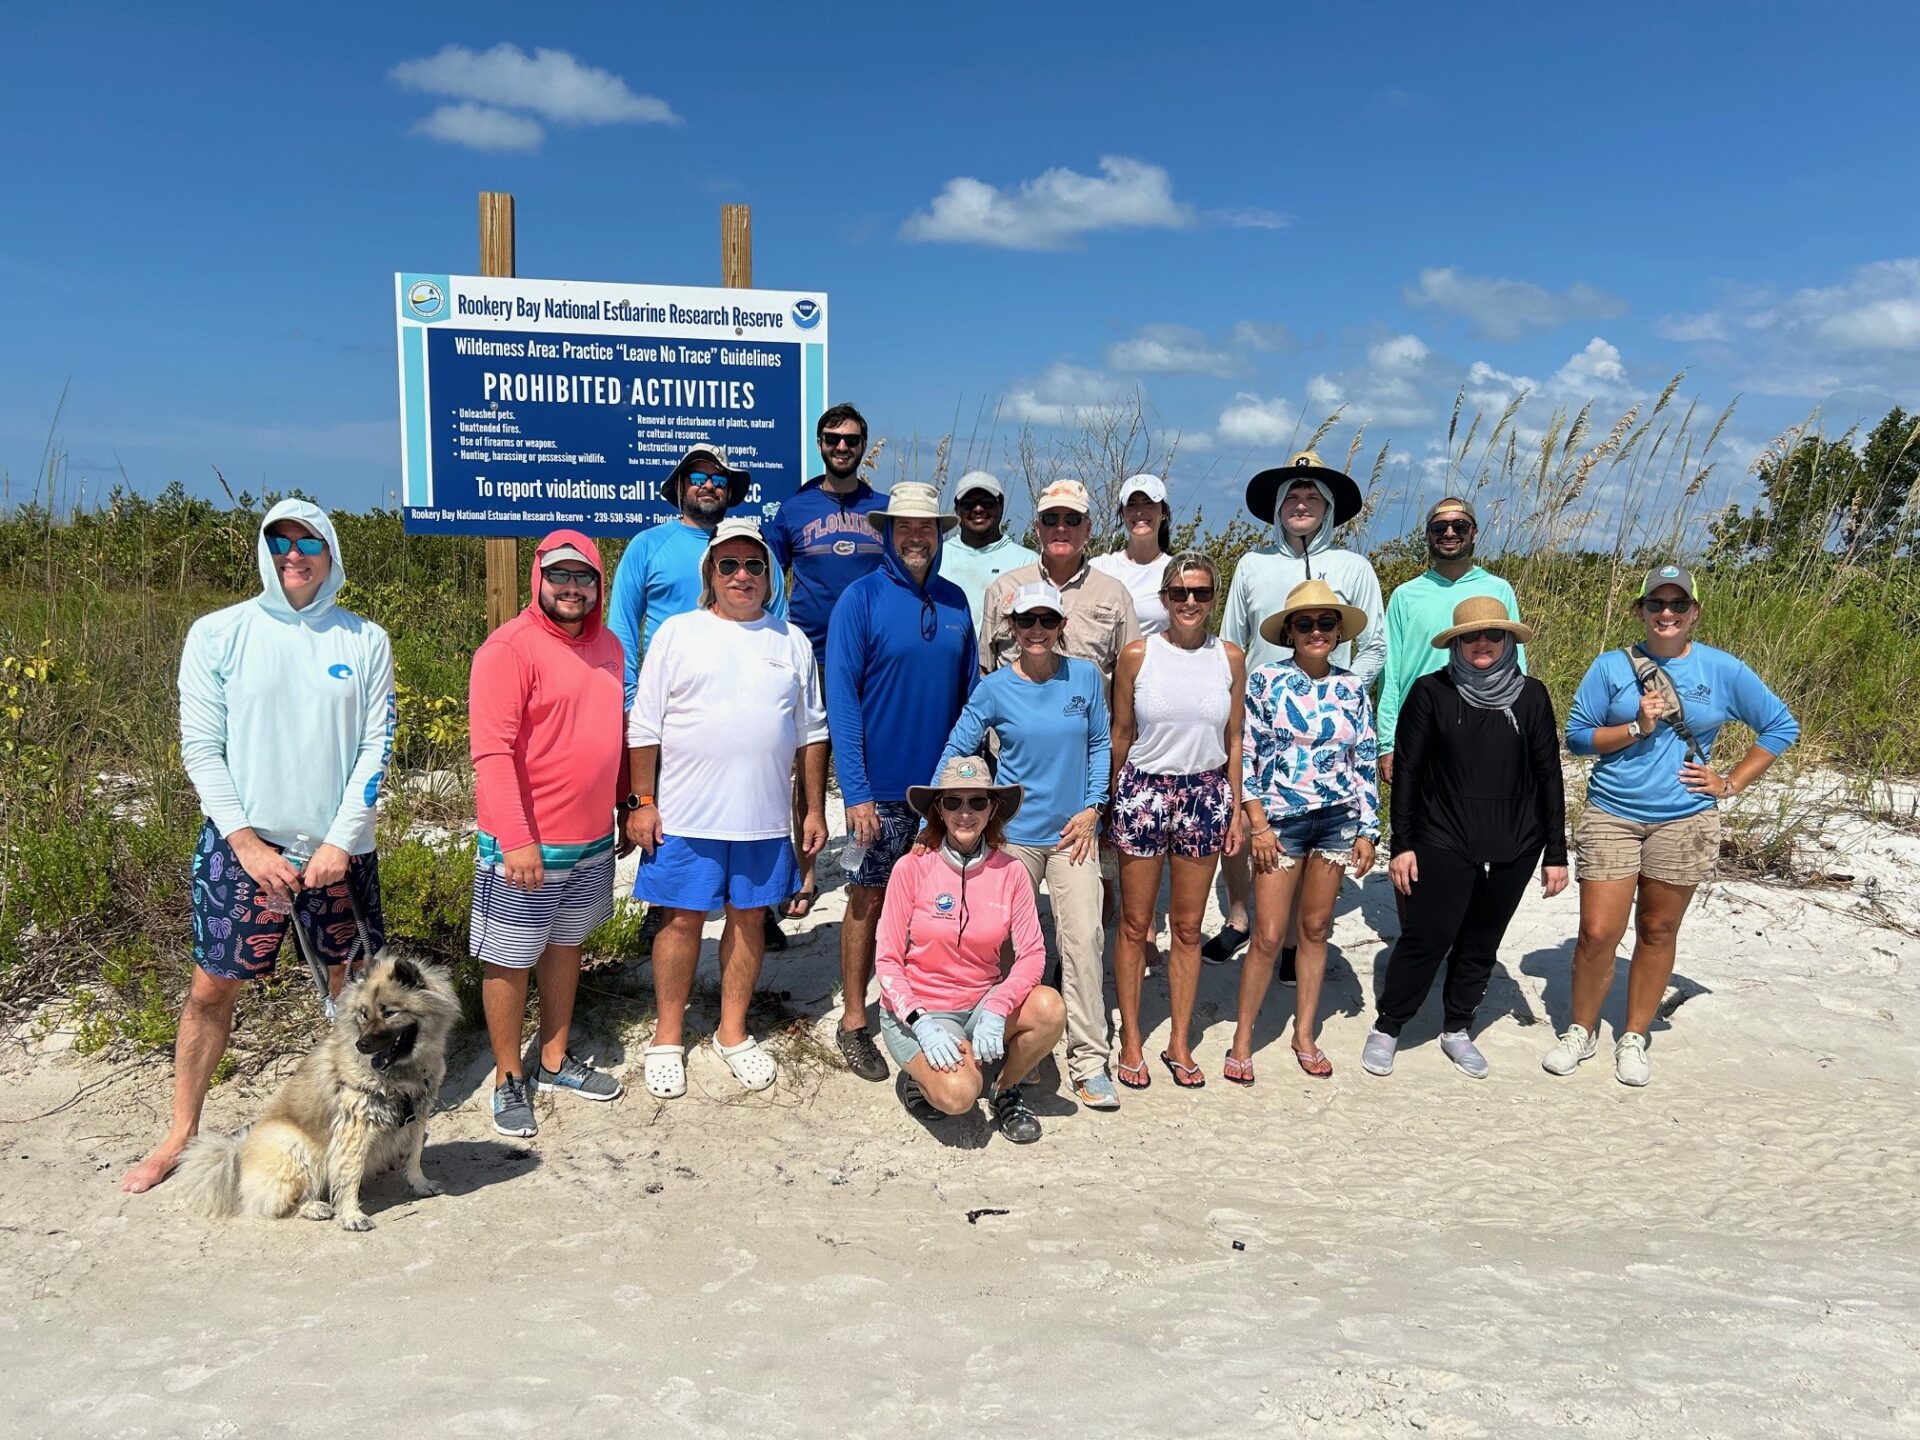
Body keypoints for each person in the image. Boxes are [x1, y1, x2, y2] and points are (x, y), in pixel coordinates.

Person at [123, 500, 393, 1193]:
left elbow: (374, 749)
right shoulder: (218, 633)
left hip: (339, 852)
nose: (294, 555)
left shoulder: (365, 640)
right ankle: (180, 1132)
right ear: (265, 551)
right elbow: (201, 751)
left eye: (309, 542)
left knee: (355, 995)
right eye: (280, 541)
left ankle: (346, 1129)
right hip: (244, 849)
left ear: (331, 552)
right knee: (211, 989)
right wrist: (245, 843)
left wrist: (338, 843)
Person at [1552, 564, 1798, 1087]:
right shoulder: (1609, 667)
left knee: (1658, 930)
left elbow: (1780, 725)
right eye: (1657, 605)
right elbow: (1576, 738)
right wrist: (1635, 727)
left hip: (1685, 819)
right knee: (1598, 933)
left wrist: (1730, 782)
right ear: (1640, 611)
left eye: (1678, 605)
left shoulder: (1722, 670)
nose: (1667, 614)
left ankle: (1635, 1034)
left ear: (1694, 613)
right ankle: (1581, 1028)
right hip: (1611, 812)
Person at [625, 519, 829, 1100]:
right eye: (728, 565)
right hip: (687, 817)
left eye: (754, 565)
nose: (742, 575)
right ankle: (667, 1036)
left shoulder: (790, 641)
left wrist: (812, 810)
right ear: (710, 574)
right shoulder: (677, 634)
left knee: (748, 921)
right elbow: (645, 725)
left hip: (764, 819)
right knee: (680, 922)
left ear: (770, 576)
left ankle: (732, 1031)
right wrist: (641, 802)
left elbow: (812, 733)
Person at [1362, 597, 1567, 1079]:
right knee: (1428, 935)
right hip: (1443, 832)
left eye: (1493, 635)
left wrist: (1555, 853)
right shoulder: (1431, 692)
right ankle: (1389, 1025)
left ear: (1508, 641)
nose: (1482, 644)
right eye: (1471, 636)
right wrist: (1402, 844)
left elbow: (1548, 775)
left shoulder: (1533, 695)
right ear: (1454, 643)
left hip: (1518, 838)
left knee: (1482, 939)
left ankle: (1457, 1028)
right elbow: (1408, 773)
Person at [468, 531, 628, 1137]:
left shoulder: (610, 646)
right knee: (508, 960)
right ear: (538, 578)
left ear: (597, 584)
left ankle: (555, 1059)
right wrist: (515, 839)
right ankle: (509, 1077)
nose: (571, 588)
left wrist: (623, 806)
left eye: (583, 577)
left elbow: (609, 736)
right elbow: (491, 752)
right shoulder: (509, 648)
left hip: (589, 840)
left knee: (566, 948)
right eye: (559, 576)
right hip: (525, 847)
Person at [939, 582, 1117, 1108]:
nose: (1036, 631)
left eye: (1046, 620)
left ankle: (1088, 1060)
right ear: (1011, 628)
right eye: (1025, 621)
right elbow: (959, 743)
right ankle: (1022, 1047)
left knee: (1083, 940)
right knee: (1008, 947)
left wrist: (1094, 807)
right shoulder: (994, 688)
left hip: (1073, 837)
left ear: (1062, 625)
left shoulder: (1085, 677)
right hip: (1013, 837)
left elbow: (1101, 743)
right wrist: (936, 814)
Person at [606, 442, 788, 953]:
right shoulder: (648, 545)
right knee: (663, 803)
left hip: (743, 699)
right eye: (699, 475)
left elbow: (780, 619)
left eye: (719, 478)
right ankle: (661, 906)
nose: (709, 484)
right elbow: (623, 622)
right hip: (670, 701)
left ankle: (758, 909)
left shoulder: (756, 550)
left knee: (748, 796)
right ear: (681, 486)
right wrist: (632, 698)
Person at [1207, 450, 1385, 972]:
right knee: (1244, 819)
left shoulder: (1355, 567)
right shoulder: (1251, 565)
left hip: (1328, 740)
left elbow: (1373, 644)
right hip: (1260, 721)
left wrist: (1336, 694)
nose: (1301, 504)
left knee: (1312, 830)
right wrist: (1238, 708)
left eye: (1312, 497)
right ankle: (1242, 919)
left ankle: (1289, 943)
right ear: (1278, 507)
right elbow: (1231, 642)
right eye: (1293, 497)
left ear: (1328, 509)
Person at [824, 482, 979, 1082]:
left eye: (927, 528)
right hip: (879, 789)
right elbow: (841, 700)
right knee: (868, 899)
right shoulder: (859, 600)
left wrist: (965, 782)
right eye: (905, 528)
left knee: (931, 905)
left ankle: (917, 1003)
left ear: (940, 534)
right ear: (886, 532)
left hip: (944, 791)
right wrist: (856, 791)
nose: (917, 538)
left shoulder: (957, 601)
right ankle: (854, 1020)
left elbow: (969, 701)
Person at [1225, 579, 1379, 1082]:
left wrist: (1368, 829)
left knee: (1315, 931)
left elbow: (1364, 762)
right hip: (1281, 822)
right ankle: (1243, 1036)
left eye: (1325, 622)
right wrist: (1258, 823)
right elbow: (1246, 753)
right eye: (1305, 623)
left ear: (1338, 632)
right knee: (1268, 936)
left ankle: (1304, 1033)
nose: (1316, 631)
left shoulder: (1353, 686)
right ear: (1289, 631)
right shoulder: (1266, 681)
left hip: (1337, 820)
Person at [1106, 553, 1246, 1090]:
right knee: (1136, 926)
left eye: (1202, 592)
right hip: (1143, 790)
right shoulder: (1138, 655)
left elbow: (1234, 738)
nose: (1190, 602)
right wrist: (1109, 802)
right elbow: (1121, 733)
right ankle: (1132, 1039)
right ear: (1164, 598)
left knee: (1188, 927)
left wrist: (1234, 805)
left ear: (1214, 598)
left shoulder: (1229, 658)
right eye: (1180, 592)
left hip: (1205, 792)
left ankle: (1180, 1041)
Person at [874, 756, 1067, 1143]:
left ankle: (1005, 1090)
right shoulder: (910, 869)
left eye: (977, 802)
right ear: (938, 810)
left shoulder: (1011, 872)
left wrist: (998, 1006)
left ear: (992, 808)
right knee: (960, 1094)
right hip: (922, 1011)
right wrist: (922, 1023)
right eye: (953, 802)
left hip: (983, 1003)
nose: (965, 813)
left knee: (1050, 1008)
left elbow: (1031, 954)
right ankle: (917, 1081)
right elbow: (887, 960)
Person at [764, 403, 887, 924]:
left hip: (869, 657)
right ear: (820, 444)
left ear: (863, 446)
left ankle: (875, 862)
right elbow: (768, 577)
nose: (842, 447)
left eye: (852, 439)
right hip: (809, 656)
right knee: (808, 769)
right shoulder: (794, 510)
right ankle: (805, 872)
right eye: (833, 438)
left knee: (872, 764)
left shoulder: (883, 507)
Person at [1375, 496, 1524, 785]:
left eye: (1460, 526)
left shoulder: (1498, 589)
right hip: (1419, 728)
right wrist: (1387, 743)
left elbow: (1517, 663)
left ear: (1474, 533)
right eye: (1439, 527)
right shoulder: (1405, 596)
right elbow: (1389, 673)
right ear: (1428, 535)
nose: (1450, 533)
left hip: (1485, 724)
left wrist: (1516, 729)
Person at [979, 478, 1141, 681]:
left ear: (1088, 529)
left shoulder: (1115, 595)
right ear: (1038, 528)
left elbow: (1131, 676)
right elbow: (984, 670)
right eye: (1051, 519)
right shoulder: (1002, 590)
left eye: (1072, 519)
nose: (1061, 528)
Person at [937, 471, 1037, 633]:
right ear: (957, 509)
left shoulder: (1028, 562)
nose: (978, 509)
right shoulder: (937, 557)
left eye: (987, 503)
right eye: (968, 504)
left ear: (1001, 506)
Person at [1090, 473, 1174, 637]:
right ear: (1122, 513)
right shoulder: (1099, 568)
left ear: (1163, 512)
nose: (1139, 512)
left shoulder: (1175, 571)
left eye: (1149, 504)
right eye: (1132, 505)